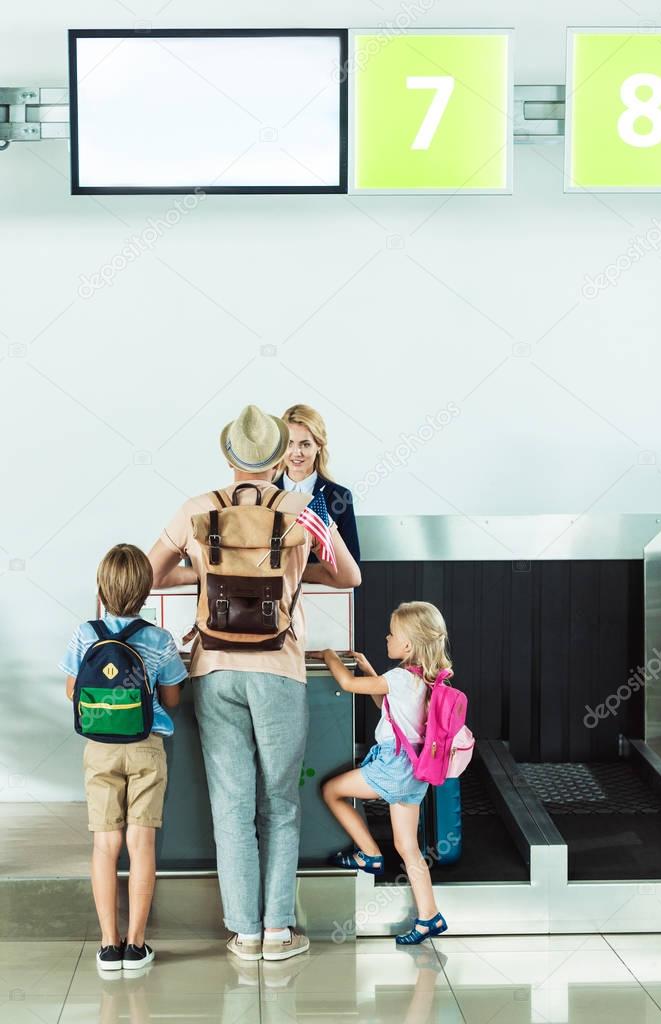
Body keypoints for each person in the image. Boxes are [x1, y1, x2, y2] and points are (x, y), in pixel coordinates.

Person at [147, 404, 361, 962]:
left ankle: (242, 932)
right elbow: (348, 575)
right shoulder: (301, 508)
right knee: (280, 803)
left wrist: (206, 568)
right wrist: (289, 568)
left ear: (230, 455)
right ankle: (277, 934)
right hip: (280, 671)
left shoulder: (197, 509)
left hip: (214, 671)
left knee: (231, 803)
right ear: (275, 457)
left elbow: (149, 574)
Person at [59, 544, 187, 971]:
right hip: (147, 747)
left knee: (104, 844)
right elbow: (171, 697)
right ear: (146, 590)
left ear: (102, 587)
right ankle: (136, 945)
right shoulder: (159, 638)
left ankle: (108, 946)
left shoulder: (85, 632)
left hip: (99, 749)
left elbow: (71, 691)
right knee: (140, 842)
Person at [316, 601, 450, 946]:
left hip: (393, 767)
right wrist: (370, 668)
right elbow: (387, 707)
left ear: (407, 645)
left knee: (332, 791)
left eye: (392, 634)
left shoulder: (398, 678)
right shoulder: (425, 679)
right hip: (416, 770)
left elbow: (346, 684)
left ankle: (370, 854)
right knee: (408, 847)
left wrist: (330, 655)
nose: (387, 637)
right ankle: (429, 917)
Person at [274, 404, 361, 563]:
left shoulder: (339, 497)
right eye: (290, 443)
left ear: (319, 446)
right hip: (274, 588)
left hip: (322, 587)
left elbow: (352, 563)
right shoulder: (268, 492)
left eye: (305, 444)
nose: (296, 452)